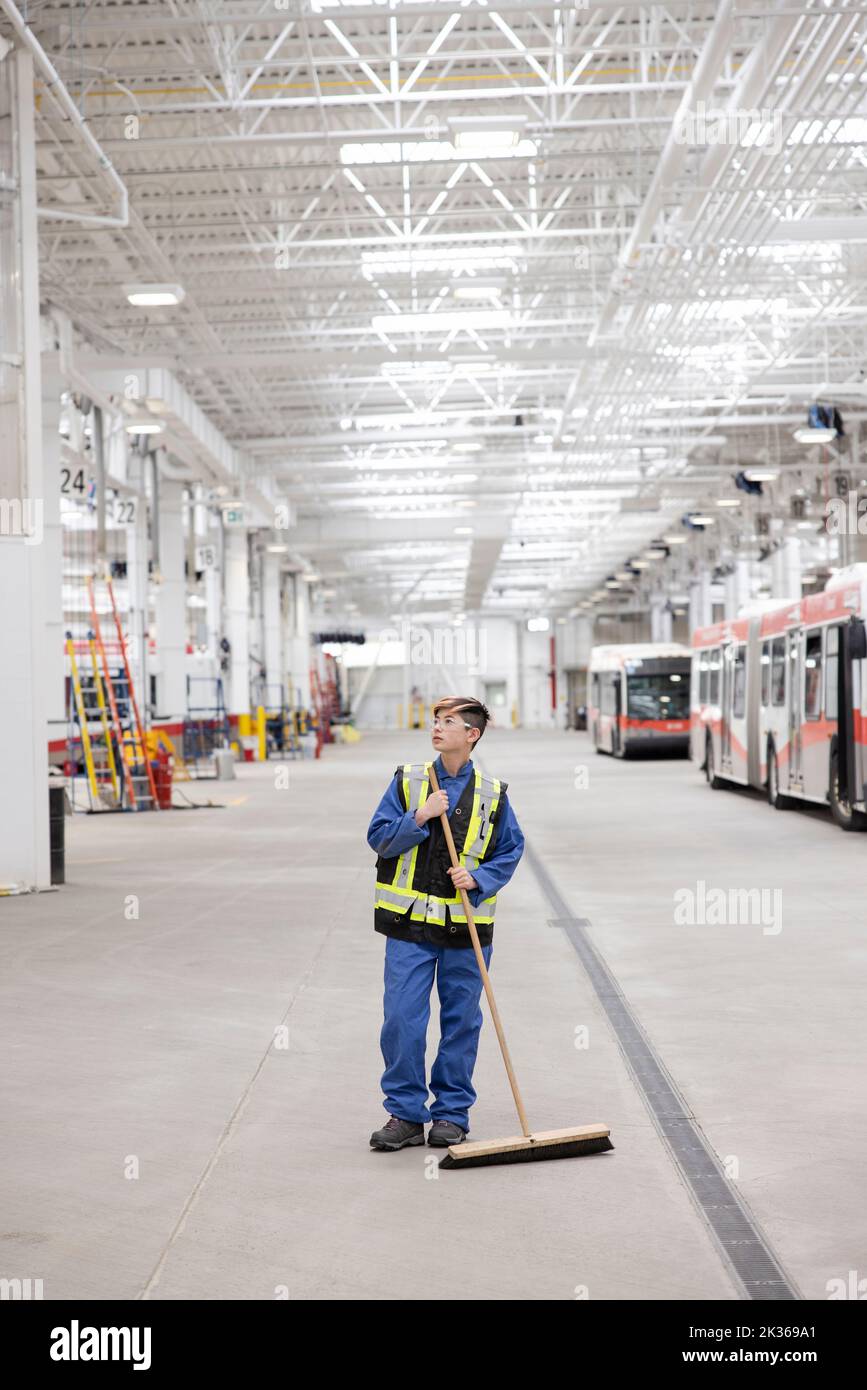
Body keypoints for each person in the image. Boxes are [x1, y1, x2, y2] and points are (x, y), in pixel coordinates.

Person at [366, 696, 524, 1151]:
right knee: (401, 1020)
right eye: (436, 721)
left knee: (460, 1022)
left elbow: (510, 850)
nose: (437, 727)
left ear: (471, 735)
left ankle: (451, 1114)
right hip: (408, 928)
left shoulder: (494, 794)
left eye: (449, 722)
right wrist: (420, 817)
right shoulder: (410, 781)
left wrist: (478, 877)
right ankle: (405, 1114)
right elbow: (378, 837)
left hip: (464, 929)